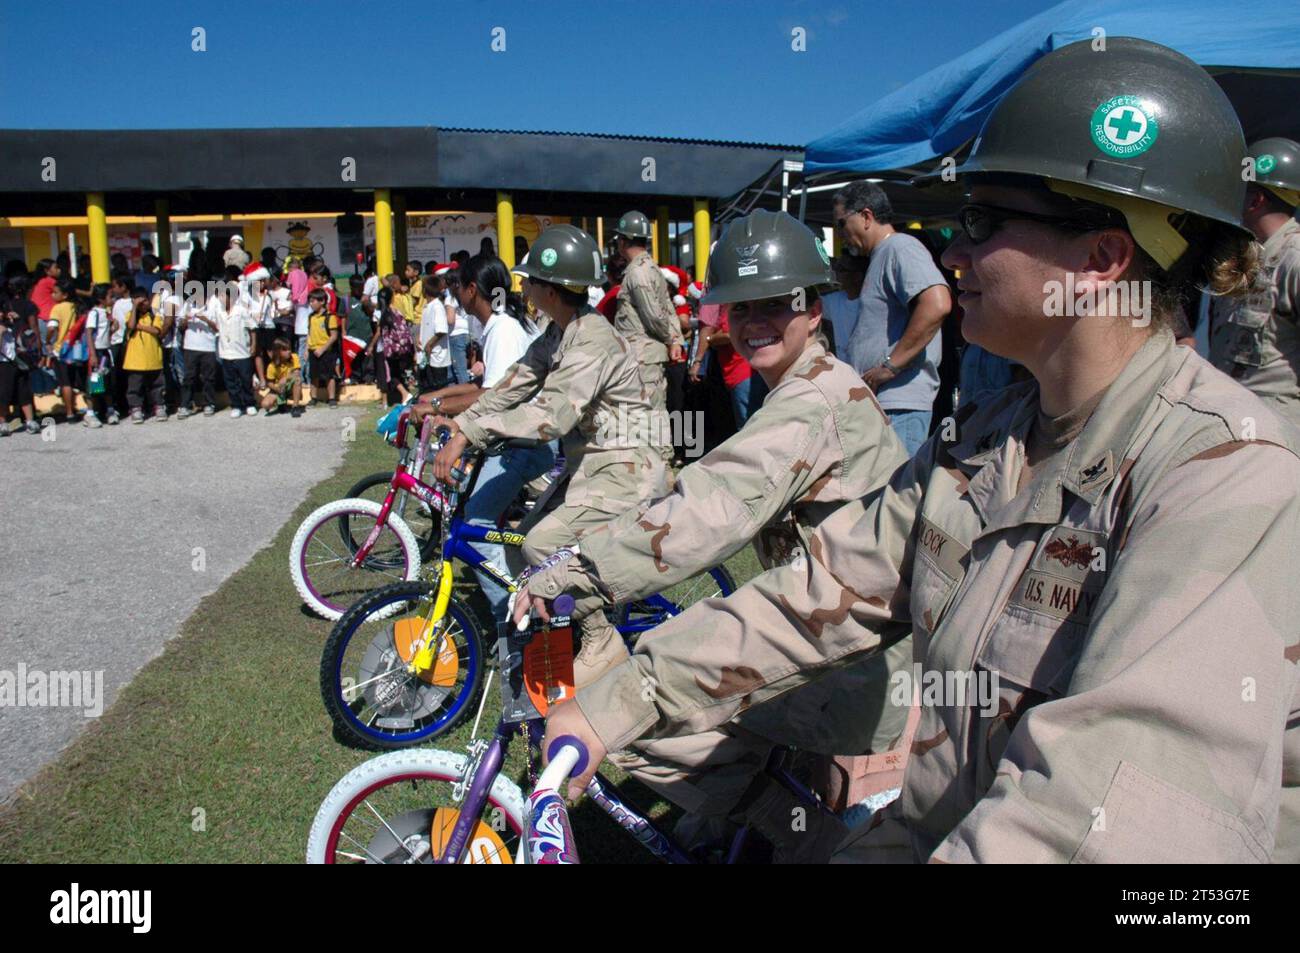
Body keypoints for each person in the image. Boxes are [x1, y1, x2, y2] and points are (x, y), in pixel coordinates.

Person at [541, 37, 1300, 864]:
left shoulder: (1226, 475)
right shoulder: (986, 440)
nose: (952, 254)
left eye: (982, 222)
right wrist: (620, 698)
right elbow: (823, 587)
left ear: (1101, 260)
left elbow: (1109, 812)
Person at [514, 211, 911, 858]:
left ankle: (820, 844)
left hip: (855, 668)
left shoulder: (811, 401)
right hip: (844, 641)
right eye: (741, 306)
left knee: (637, 706)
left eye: (776, 304)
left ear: (811, 310)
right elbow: (707, 487)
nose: (755, 321)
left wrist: (574, 569)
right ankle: (755, 819)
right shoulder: (815, 383)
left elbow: (713, 506)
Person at [429, 230, 670, 685]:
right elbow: (514, 384)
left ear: (551, 288)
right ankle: (563, 636)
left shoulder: (592, 341)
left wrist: (471, 432)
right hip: (594, 465)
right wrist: (463, 423)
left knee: (541, 545)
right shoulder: (559, 332)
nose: (521, 288)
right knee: (524, 548)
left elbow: (549, 417)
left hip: (629, 468)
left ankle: (601, 641)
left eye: (531, 280)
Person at [836, 181, 953, 455]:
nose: (840, 234)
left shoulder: (900, 248)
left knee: (894, 492)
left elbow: (937, 303)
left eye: (842, 224)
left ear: (866, 216)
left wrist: (891, 366)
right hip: (887, 404)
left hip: (900, 405)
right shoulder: (884, 254)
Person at [1209, 136, 1300, 431]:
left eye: (1237, 191)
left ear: (1255, 200)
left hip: (1278, 431)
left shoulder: (1294, 260)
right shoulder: (1245, 257)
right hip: (1234, 420)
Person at [611, 210, 685, 453]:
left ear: (623, 241)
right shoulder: (651, 269)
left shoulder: (637, 272)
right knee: (650, 416)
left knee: (648, 418)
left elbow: (653, 314)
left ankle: (660, 469)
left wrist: (671, 338)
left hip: (643, 358)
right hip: (647, 357)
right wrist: (675, 339)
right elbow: (668, 309)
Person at [123, 286, 172, 422]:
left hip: (153, 358)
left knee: (157, 384)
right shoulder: (130, 314)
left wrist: (141, 327)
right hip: (135, 360)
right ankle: (136, 408)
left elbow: (157, 331)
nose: (144, 304)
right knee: (135, 386)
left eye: (145, 301)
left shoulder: (153, 315)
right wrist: (134, 308)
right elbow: (131, 325)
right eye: (141, 302)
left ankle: (158, 405)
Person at [215, 285, 259, 417]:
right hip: (226, 352)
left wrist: (253, 345)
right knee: (231, 381)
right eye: (219, 296)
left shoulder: (241, 311)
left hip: (242, 352)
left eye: (223, 295)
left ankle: (249, 403)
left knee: (245, 379)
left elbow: (252, 328)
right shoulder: (219, 312)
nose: (221, 299)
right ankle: (236, 405)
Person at [366, 286, 414, 405]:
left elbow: (378, 333)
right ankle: (402, 396)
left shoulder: (379, 313)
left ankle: (401, 395)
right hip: (397, 348)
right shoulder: (396, 311)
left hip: (384, 349)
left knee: (386, 375)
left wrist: (371, 346)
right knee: (394, 373)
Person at [177, 284, 219, 418]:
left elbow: (218, 327)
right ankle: (185, 405)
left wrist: (203, 318)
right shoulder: (188, 305)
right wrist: (185, 321)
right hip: (191, 346)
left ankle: (209, 403)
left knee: (209, 377)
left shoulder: (214, 306)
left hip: (208, 347)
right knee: (189, 377)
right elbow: (181, 326)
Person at [819, 252, 867, 360]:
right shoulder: (834, 300)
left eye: (841, 269)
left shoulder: (872, 303)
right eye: (836, 267)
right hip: (847, 372)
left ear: (857, 276)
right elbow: (801, 303)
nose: (835, 272)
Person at [84, 283, 119, 426]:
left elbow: (105, 334)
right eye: (110, 296)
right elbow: (89, 333)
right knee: (95, 383)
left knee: (107, 382)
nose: (113, 298)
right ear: (101, 298)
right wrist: (92, 354)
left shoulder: (106, 313)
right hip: (97, 352)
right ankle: (90, 413)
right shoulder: (94, 313)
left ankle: (110, 410)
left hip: (105, 351)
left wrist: (113, 329)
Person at [305, 288, 340, 406]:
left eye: (313, 301)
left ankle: (331, 398)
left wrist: (323, 348)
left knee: (329, 375)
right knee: (313, 375)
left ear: (322, 301)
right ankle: (313, 397)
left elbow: (334, 336)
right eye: (310, 301)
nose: (311, 304)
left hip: (326, 351)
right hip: (313, 350)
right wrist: (306, 349)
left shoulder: (330, 317)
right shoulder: (311, 317)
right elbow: (309, 333)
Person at [417, 274, 451, 391]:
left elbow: (441, 330)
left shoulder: (437, 306)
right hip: (426, 355)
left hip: (437, 355)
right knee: (426, 386)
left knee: (438, 388)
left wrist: (430, 344)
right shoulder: (427, 306)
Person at [259, 337, 304, 418]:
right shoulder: (271, 366)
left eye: (289, 349)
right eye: (285, 350)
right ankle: (281, 404)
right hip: (278, 389)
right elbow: (269, 383)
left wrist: (285, 378)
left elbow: (297, 373)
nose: (289, 351)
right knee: (265, 404)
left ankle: (295, 407)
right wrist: (278, 390)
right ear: (277, 352)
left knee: (298, 380)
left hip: (290, 387)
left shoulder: (294, 357)